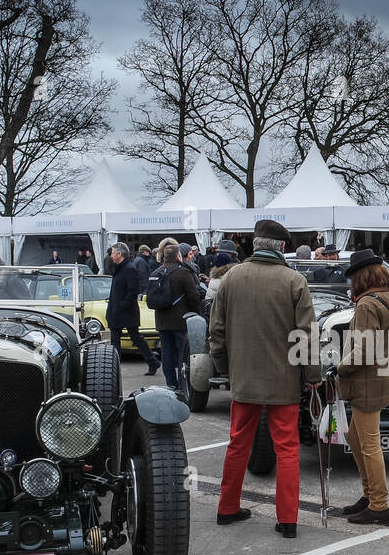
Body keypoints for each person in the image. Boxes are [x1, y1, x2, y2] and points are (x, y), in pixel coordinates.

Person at [208, 219, 320, 538]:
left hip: (243, 377)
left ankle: (226, 508)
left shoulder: (231, 278)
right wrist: (312, 375)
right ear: (281, 247)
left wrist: (225, 367)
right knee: (287, 449)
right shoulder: (294, 281)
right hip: (283, 380)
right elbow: (307, 335)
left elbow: (216, 331)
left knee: (238, 443)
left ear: (255, 245)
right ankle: (288, 520)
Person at [336, 249, 389, 525]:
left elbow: (363, 351)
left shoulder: (367, 304)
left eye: (354, 277)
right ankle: (369, 496)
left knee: (368, 445)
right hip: (383, 374)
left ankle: (378, 505)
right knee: (356, 439)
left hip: (367, 380)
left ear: (361, 276)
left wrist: (340, 368)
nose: (352, 283)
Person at [147, 243, 202, 390]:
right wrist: (196, 312)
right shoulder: (183, 273)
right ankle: (183, 385)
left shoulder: (156, 272)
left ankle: (171, 384)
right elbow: (194, 296)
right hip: (181, 320)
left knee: (166, 353)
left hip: (162, 321)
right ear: (178, 256)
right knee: (182, 354)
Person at [106, 243, 160, 374]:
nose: (111, 255)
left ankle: (152, 361)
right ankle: (115, 368)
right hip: (117, 311)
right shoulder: (119, 268)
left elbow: (133, 291)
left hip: (126, 311)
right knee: (115, 340)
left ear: (119, 254)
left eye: (113, 253)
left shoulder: (129, 269)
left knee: (136, 337)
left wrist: (122, 305)